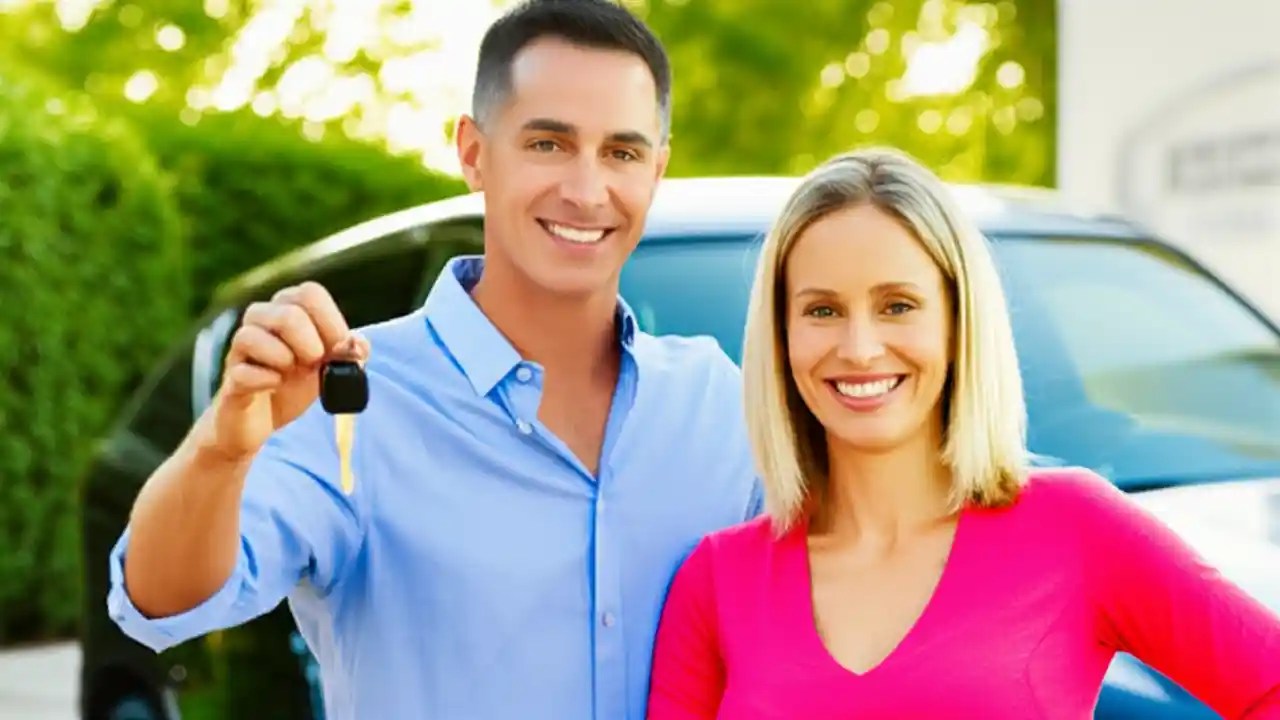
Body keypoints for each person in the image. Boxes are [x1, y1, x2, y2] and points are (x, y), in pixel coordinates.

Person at [106, 1, 761, 718]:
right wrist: (223, 452)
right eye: (547, 144)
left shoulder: (718, 402)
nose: (585, 189)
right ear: (474, 153)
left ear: (656, 170)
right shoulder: (347, 398)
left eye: (622, 153)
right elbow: (157, 601)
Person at [645, 148, 1280, 718]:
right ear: (780, 338)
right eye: (822, 310)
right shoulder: (718, 582)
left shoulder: (1074, 527)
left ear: (957, 322)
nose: (860, 347)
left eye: (898, 305)